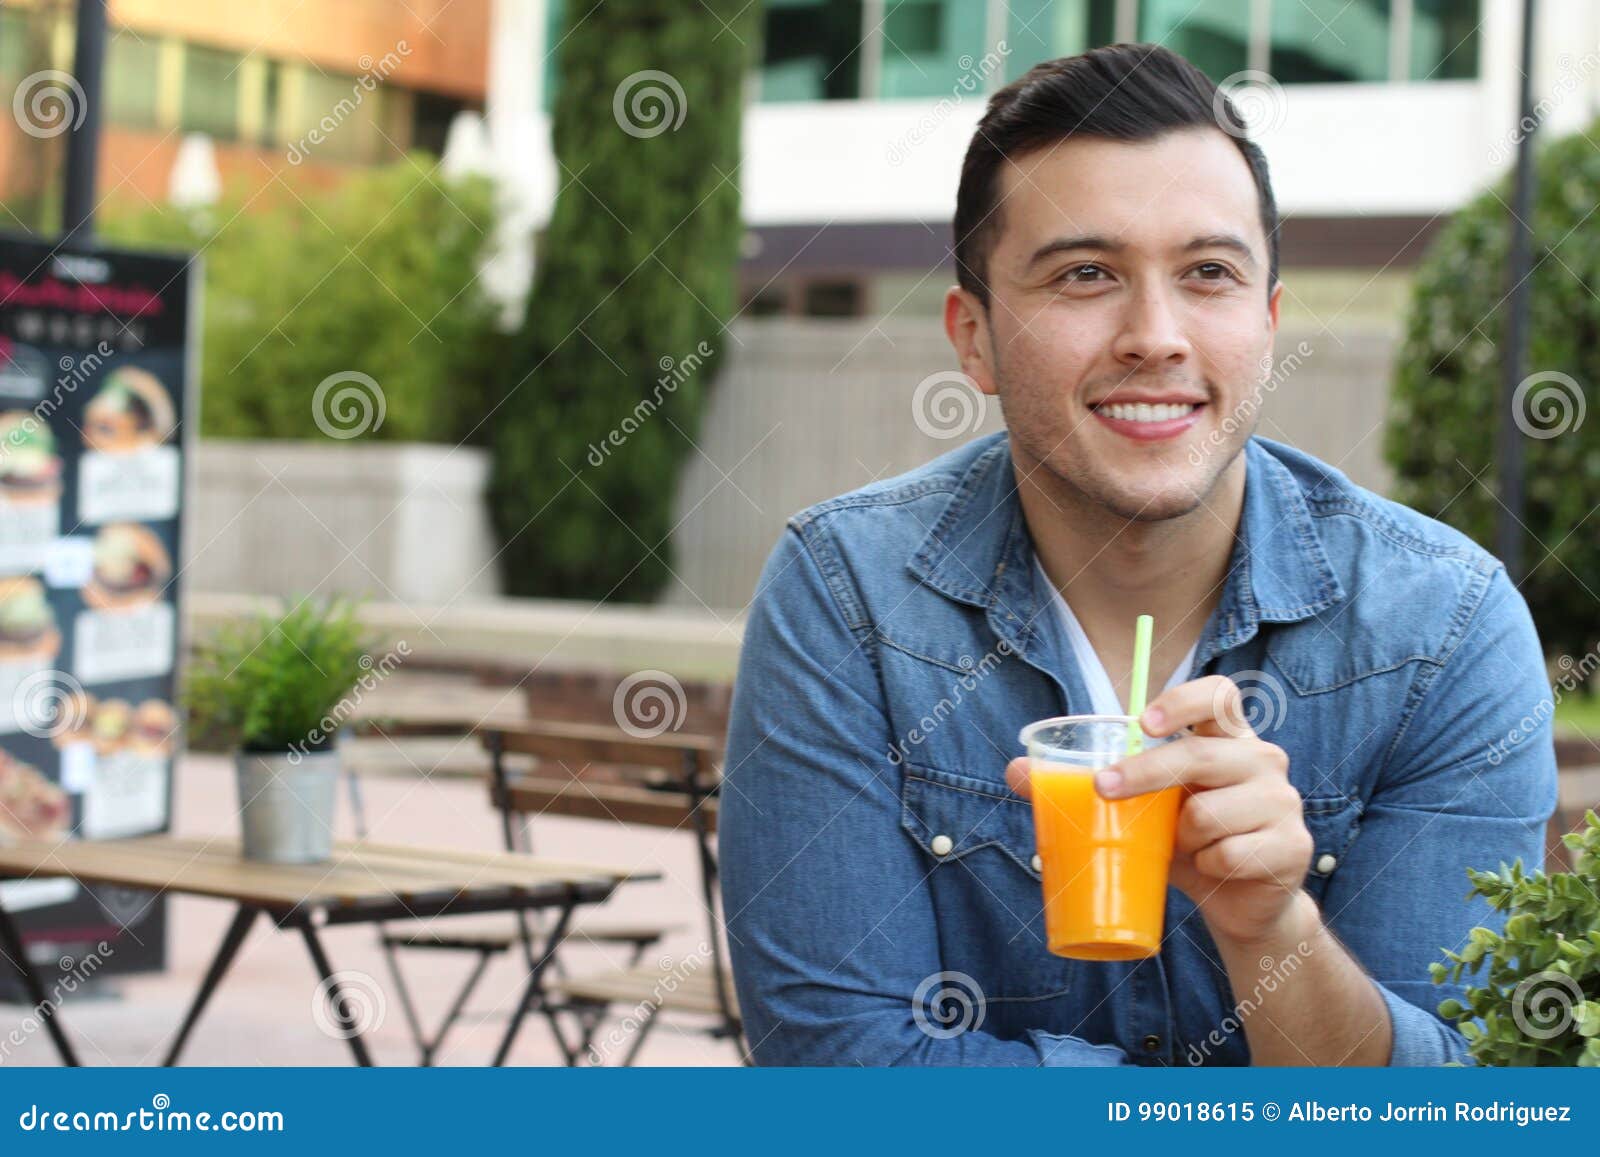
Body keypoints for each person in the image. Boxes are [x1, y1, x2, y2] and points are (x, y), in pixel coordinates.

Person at [718, 43, 1558, 1066]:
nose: (1154, 335)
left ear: (1267, 322)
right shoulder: (848, 596)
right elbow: (841, 1073)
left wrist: (1272, 932)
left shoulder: (1444, 628)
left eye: (1208, 273)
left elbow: (1452, 1112)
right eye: (1085, 274)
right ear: (973, 338)